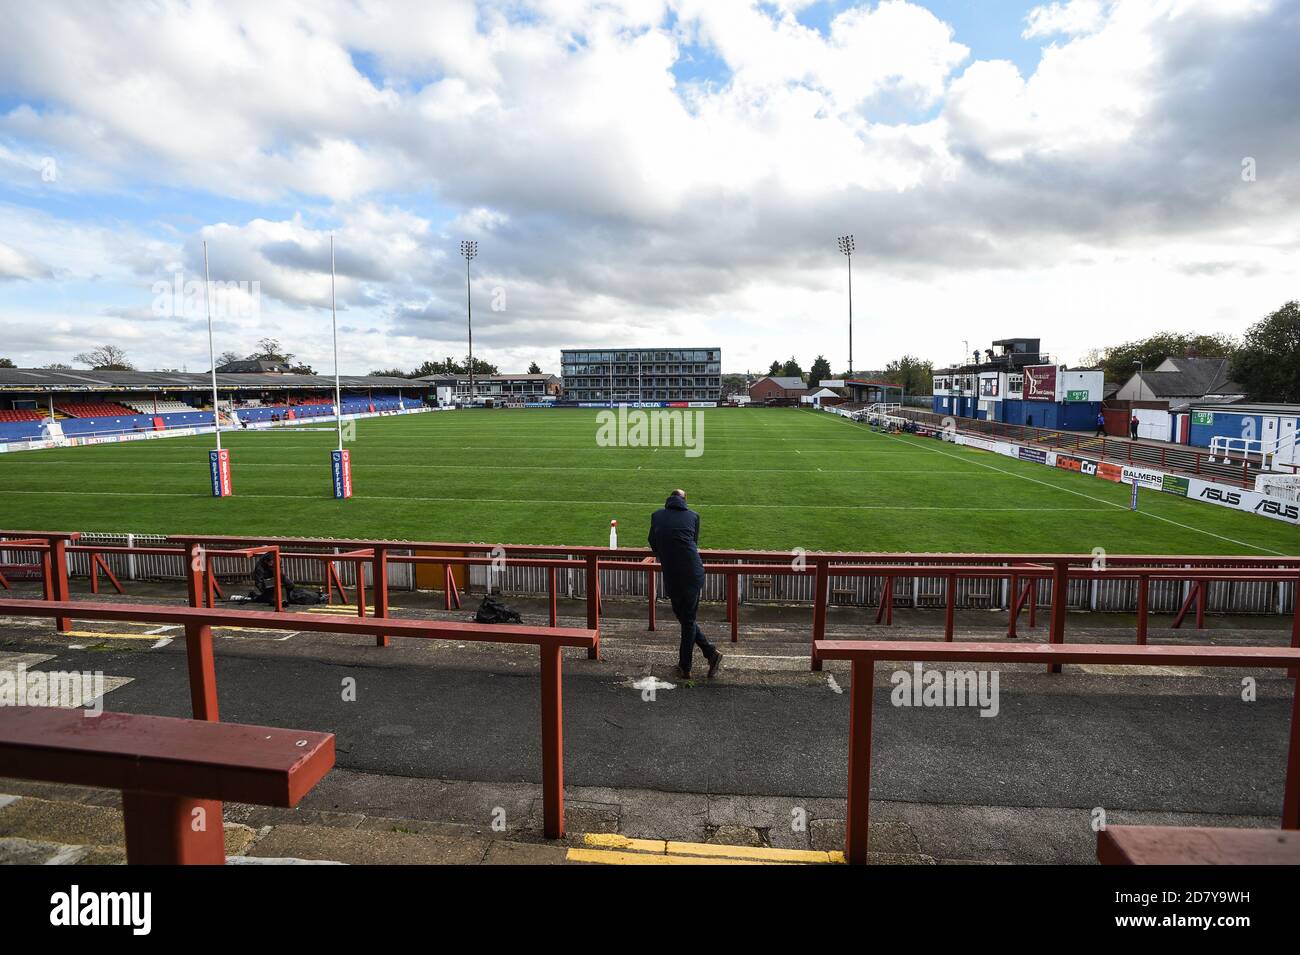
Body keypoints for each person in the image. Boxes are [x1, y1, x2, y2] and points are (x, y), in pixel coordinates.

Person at [647, 489, 722, 680]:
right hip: (692, 573)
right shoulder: (693, 516)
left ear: (669, 499)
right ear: (684, 501)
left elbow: (653, 544)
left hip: (673, 575)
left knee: (686, 619)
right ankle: (710, 653)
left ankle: (686, 666)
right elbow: (693, 542)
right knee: (686, 619)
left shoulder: (657, 516)